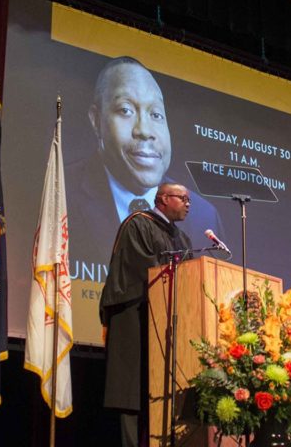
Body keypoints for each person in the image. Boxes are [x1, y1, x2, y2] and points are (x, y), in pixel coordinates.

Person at [65, 56, 224, 273]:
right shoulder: (62, 193)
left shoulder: (203, 216)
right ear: (96, 120)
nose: (144, 130)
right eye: (125, 110)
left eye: (156, 114)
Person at [100, 183, 193, 447]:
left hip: (167, 321)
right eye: (182, 198)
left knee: (162, 391)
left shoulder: (182, 238)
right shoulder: (138, 224)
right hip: (134, 314)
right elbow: (141, 267)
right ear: (163, 199)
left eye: (189, 199)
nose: (188, 204)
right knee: (131, 391)